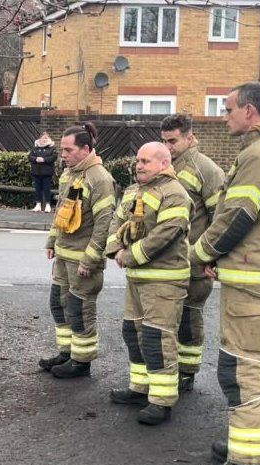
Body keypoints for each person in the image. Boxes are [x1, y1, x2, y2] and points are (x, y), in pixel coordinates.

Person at [190, 82, 260, 465]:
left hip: (253, 281)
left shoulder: (259, 154)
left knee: (243, 369)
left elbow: (238, 215)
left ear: (250, 111)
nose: (225, 116)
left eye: (228, 108)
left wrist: (201, 253)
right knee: (258, 366)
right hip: (257, 277)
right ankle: (248, 445)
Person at [105, 142, 191, 426]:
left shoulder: (175, 194)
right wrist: (115, 248)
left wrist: (129, 256)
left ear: (164, 164)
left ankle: (162, 401)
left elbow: (165, 235)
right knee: (133, 333)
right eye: (138, 161)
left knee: (157, 338)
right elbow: (116, 222)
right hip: (137, 279)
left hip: (164, 280)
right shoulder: (133, 191)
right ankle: (140, 389)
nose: (139, 166)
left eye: (146, 161)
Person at [40, 123, 115, 379]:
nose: (63, 155)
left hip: (83, 261)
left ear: (85, 149)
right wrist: (51, 241)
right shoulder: (70, 174)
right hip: (63, 256)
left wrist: (91, 259)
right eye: (62, 150)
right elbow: (61, 212)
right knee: (58, 305)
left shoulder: (100, 178)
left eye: (68, 150)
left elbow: (105, 223)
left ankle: (81, 362)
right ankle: (66, 353)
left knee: (79, 311)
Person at [160, 114, 225, 392]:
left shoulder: (205, 169)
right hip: (167, 262)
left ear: (190, 137)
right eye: (164, 141)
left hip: (193, 263)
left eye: (173, 141)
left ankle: (187, 372)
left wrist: (208, 256)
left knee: (189, 317)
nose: (168, 146)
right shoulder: (165, 165)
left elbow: (219, 217)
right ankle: (170, 368)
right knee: (166, 320)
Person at [29, 131, 57, 212]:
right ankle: (38, 204)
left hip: (47, 172)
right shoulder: (35, 148)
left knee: (46, 189)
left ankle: (48, 205)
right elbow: (30, 156)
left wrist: (44, 159)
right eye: (42, 138)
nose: (44, 139)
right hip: (36, 172)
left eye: (46, 138)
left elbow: (53, 157)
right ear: (39, 139)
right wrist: (35, 159)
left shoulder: (52, 148)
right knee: (37, 189)